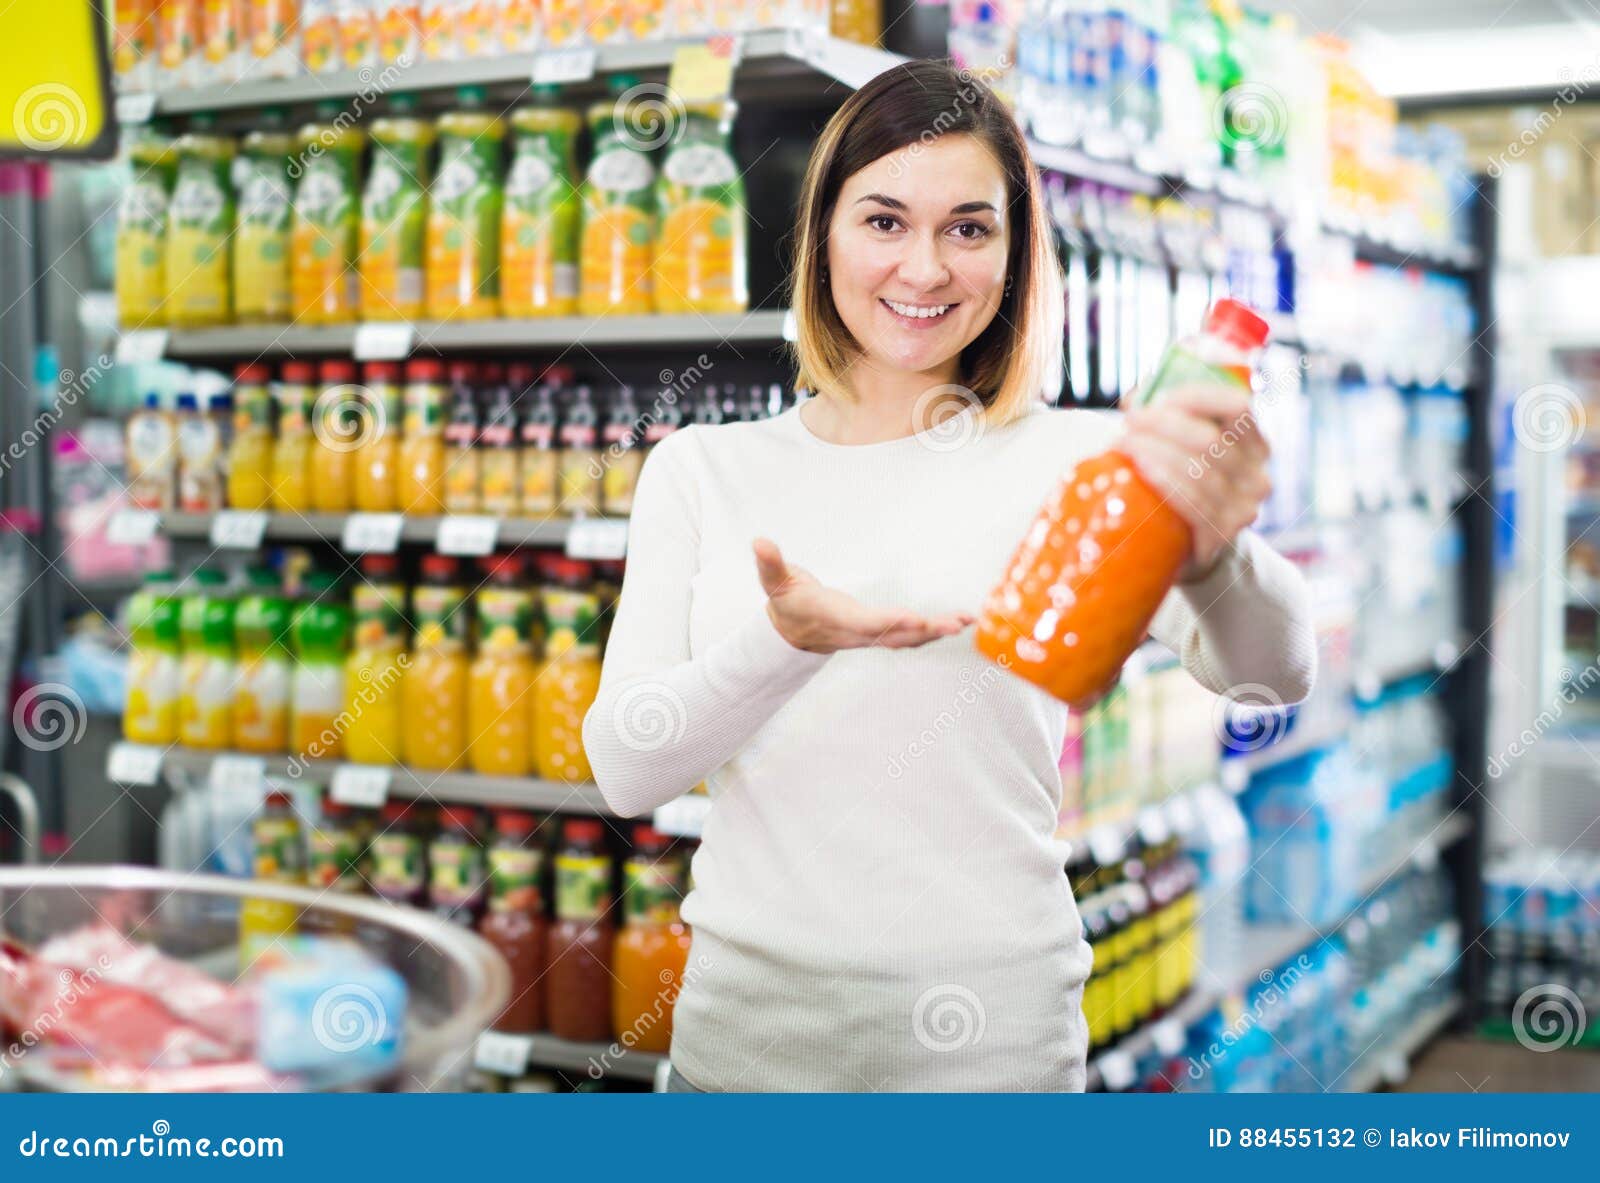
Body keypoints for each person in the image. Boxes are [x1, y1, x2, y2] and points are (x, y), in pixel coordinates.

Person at [582, 59, 1315, 1092]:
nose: (923, 269)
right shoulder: (705, 469)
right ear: (822, 236)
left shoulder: (1085, 460)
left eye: (968, 228)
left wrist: (1212, 552)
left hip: (991, 1048)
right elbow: (627, 766)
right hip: (744, 1045)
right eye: (883, 221)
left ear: (1015, 258)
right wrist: (782, 644)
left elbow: (1273, 674)